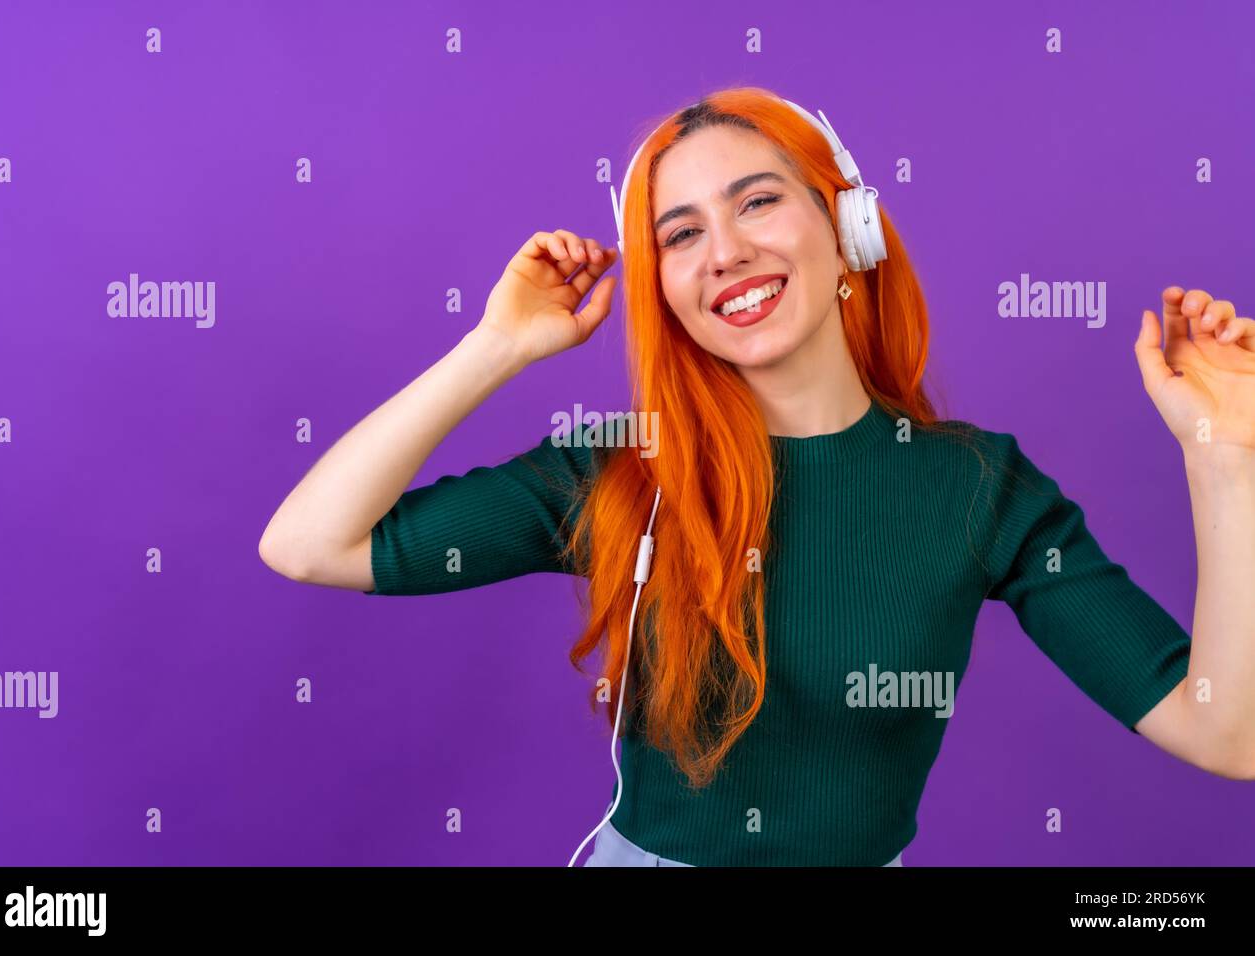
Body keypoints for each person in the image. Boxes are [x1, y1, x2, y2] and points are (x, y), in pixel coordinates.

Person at [259, 86, 1255, 867]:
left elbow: (1226, 730)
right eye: (681, 233)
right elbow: (309, 543)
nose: (725, 251)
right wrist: (495, 346)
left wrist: (1225, 461)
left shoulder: (979, 487)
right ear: (666, 290)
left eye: (757, 202)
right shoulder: (619, 465)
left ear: (846, 232)